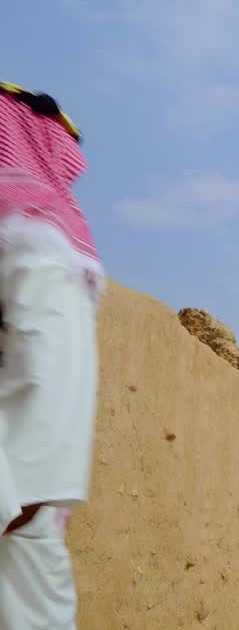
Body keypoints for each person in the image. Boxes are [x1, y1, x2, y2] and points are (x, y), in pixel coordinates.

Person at [0, 82, 103, 628]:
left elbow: (41, 371)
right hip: (33, 505)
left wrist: (17, 497)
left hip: (17, 501)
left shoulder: (30, 248)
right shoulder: (63, 256)